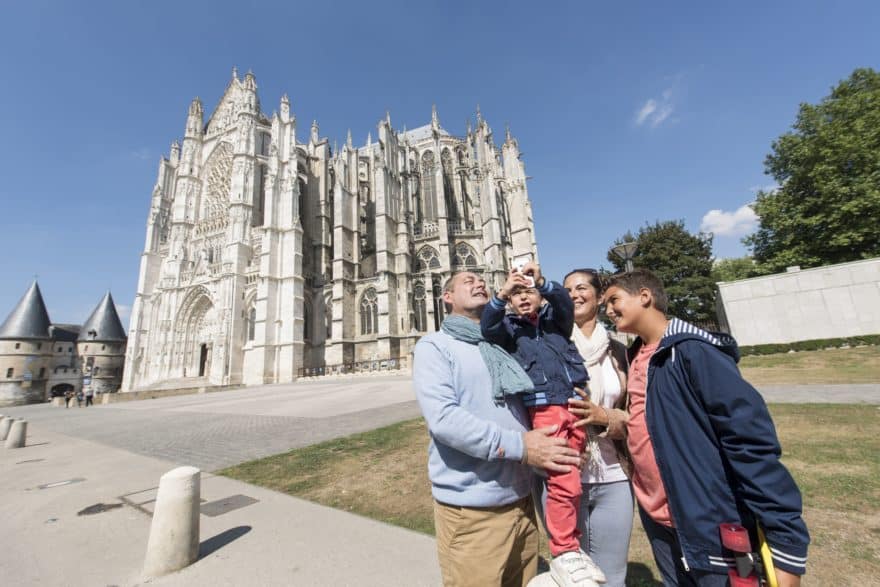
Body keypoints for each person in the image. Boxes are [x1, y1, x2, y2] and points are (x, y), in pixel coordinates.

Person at [603, 269, 809, 587]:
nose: (608, 310)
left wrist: (786, 546)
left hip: (709, 523)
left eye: (614, 300)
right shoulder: (636, 356)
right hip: (659, 519)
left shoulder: (693, 352)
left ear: (645, 296)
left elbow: (750, 443)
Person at [414, 271, 583, 587]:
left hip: (521, 502)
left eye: (481, 278)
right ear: (446, 296)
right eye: (467, 280)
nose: (478, 282)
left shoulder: (503, 344)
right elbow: (445, 421)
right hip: (474, 512)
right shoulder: (435, 346)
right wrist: (522, 447)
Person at [481, 262, 605, 587]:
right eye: (516, 296)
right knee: (565, 480)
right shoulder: (509, 330)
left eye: (528, 293)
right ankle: (565, 550)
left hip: (573, 407)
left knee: (570, 480)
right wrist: (503, 293)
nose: (523, 299)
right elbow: (488, 324)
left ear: (540, 296)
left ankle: (570, 547)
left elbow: (563, 302)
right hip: (544, 409)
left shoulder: (556, 322)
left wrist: (542, 281)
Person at [554, 269, 632, 587]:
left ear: (600, 297)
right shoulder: (551, 346)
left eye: (582, 288)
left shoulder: (619, 352)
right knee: (574, 577)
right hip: (565, 476)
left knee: (613, 575)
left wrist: (607, 417)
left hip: (614, 476)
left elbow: (638, 416)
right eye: (567, 290)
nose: (574, 294)